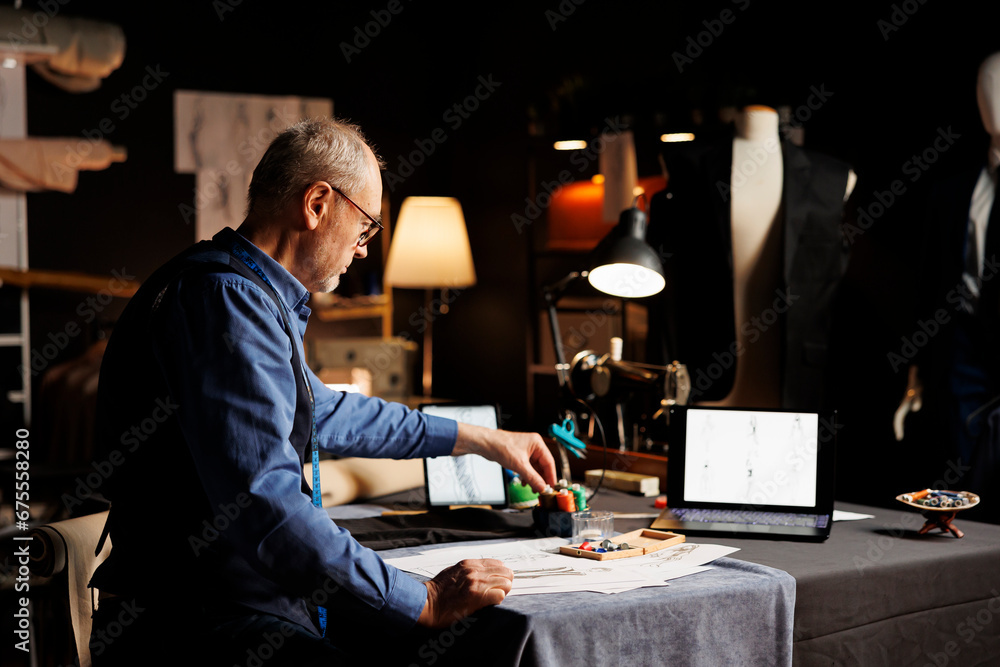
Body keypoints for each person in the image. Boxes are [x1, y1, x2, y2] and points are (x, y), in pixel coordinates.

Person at [87, 116, 557, 665]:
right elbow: (265, 504)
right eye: (366, 227)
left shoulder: (243, 292)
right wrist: (421, 597)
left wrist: (482, 438)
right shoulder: (227, 302)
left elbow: (327, 410)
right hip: (199, 623)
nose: (363, 251)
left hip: (227, 605)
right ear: (316, 203)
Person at [645, 104, 854, 412]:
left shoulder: (832, 178)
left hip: (798, 387)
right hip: (707, 384)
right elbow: (670, 295)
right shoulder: (687, 165)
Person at [894, 52, 1000, 521]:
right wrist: (915, 374)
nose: (995, 97)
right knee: (963, 478)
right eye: (987, 86)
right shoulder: (952, 192)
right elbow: (929, 281)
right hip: (962, 353)